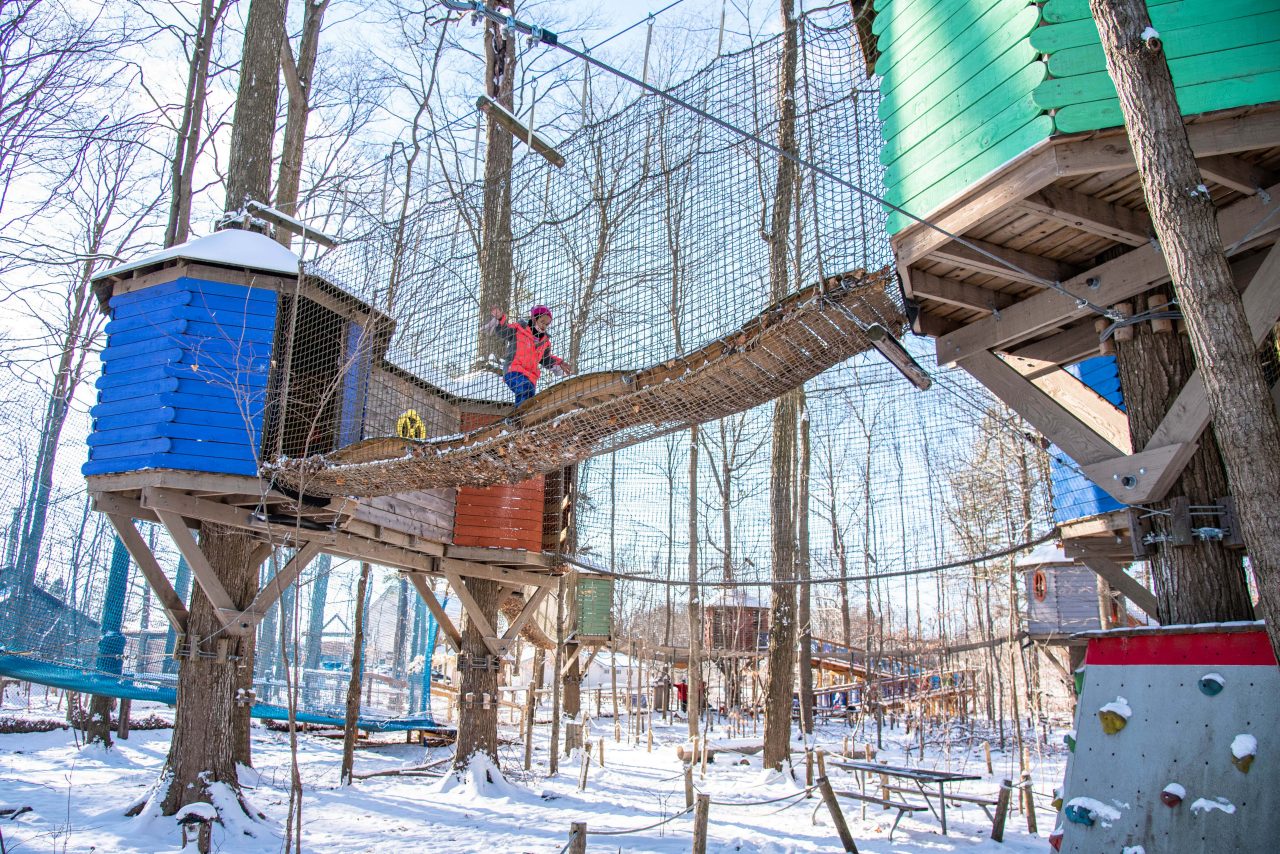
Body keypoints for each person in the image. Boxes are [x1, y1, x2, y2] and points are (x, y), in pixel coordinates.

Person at [482, 304, 571, 406]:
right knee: (524, 388)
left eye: (547, 324)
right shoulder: (519, 329)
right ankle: (519, 417)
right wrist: (500, 319)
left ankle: (520, 418)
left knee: (529, 399)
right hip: (513, 370)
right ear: (534, 319)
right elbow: (504, 332)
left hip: (531, 377)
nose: (544, 326)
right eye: (542, 322)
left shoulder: (545, 342)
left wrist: (560, 363)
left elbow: (545, 359)